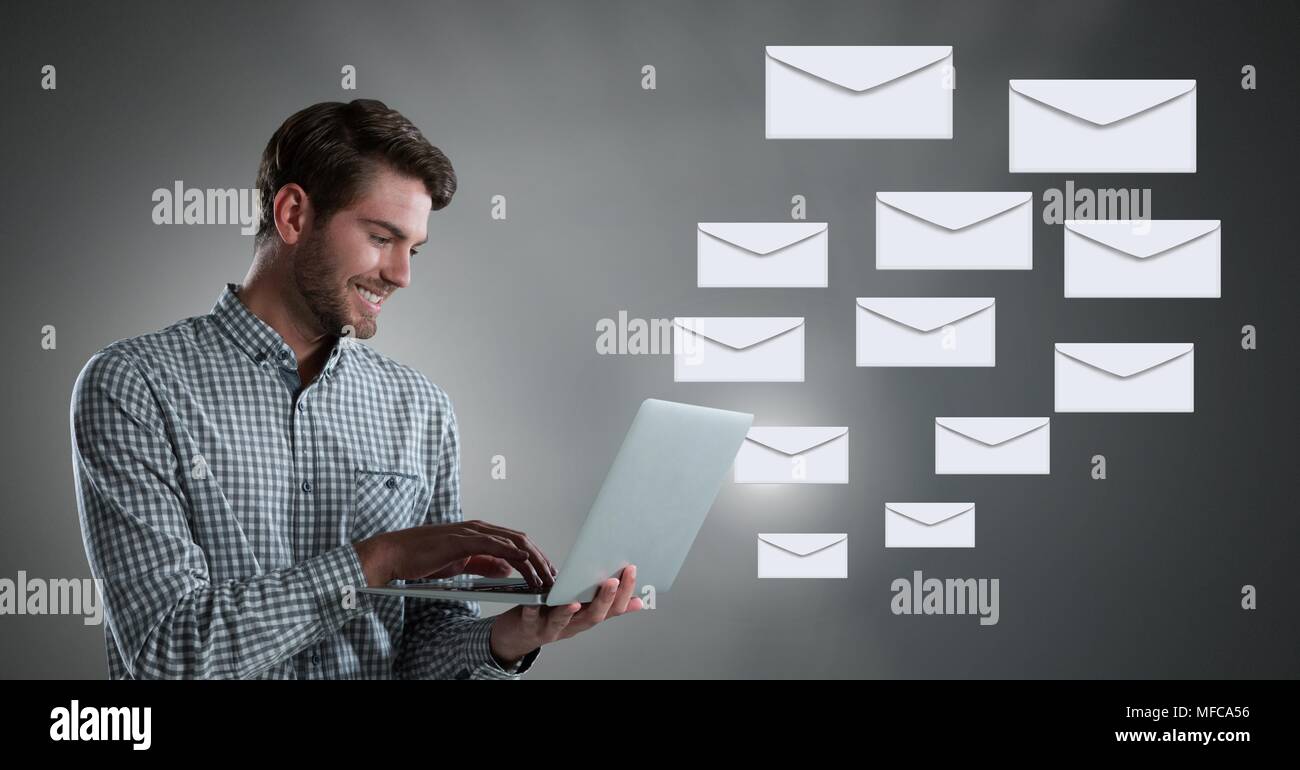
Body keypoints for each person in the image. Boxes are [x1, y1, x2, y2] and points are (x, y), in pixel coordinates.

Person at [70, 98, 641, 679]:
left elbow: (420, 649)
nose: (401, 274)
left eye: (412, 249)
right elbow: (168, 654)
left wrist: (507, 638)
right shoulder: (135, 385)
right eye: (380, 237)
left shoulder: (419, 408)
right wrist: (379, 558)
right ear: (293, 215)